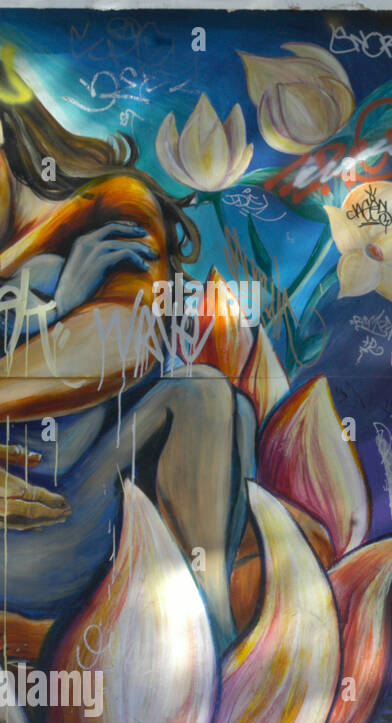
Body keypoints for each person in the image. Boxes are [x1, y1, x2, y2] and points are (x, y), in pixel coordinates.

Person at [0, 50, 254, 654]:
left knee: (208, 401)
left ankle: (210, 655)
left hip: (69, 507)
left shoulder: (110, 208)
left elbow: (123, 340)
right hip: (19, 536)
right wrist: (58, 302)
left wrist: (58, 303)